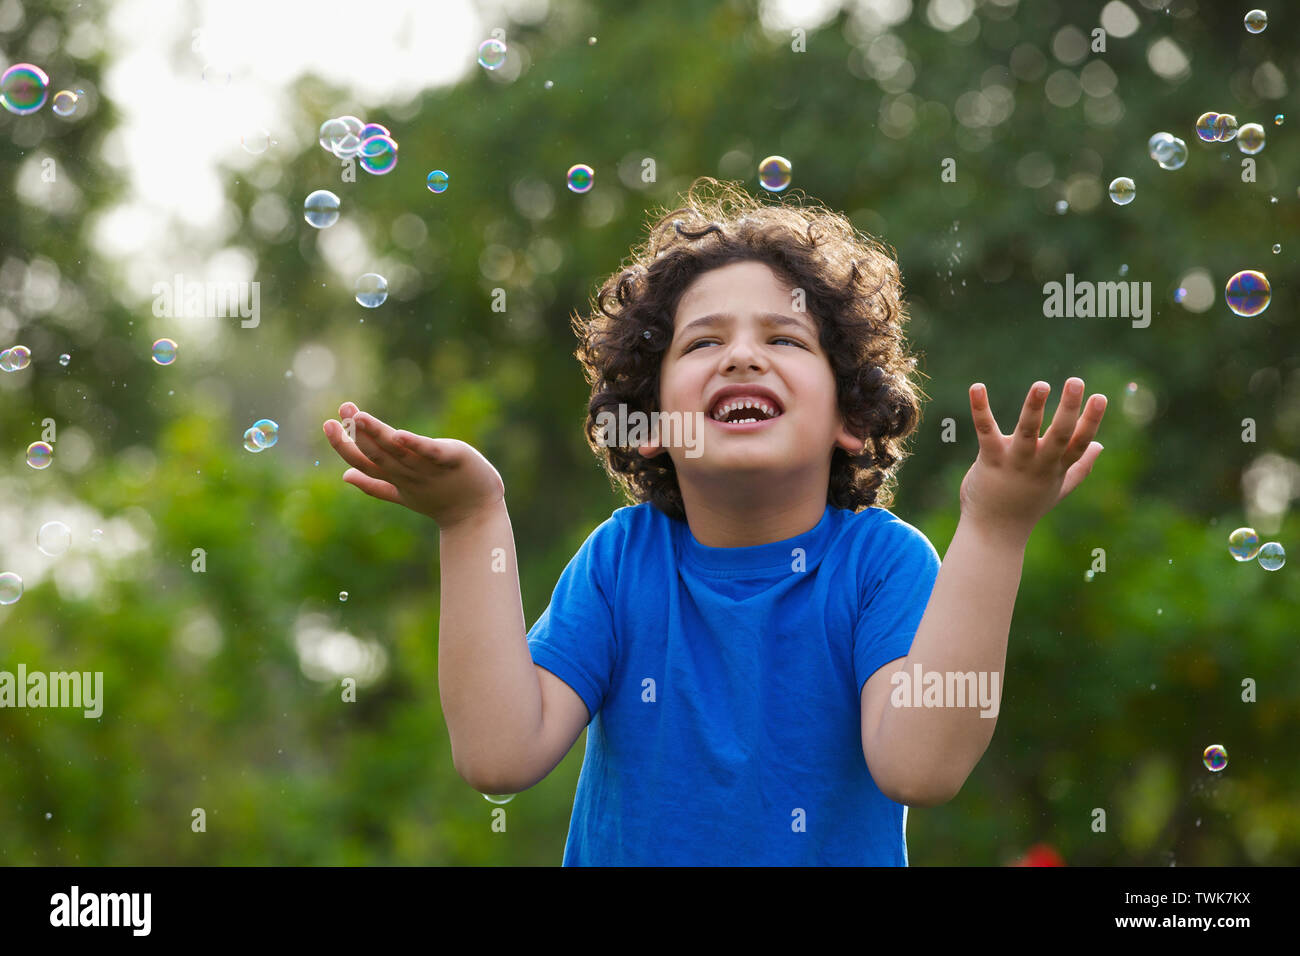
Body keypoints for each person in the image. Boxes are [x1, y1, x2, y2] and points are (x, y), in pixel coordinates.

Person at [322, 177, 1107, 865]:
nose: (741, 357)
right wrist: (470, 521)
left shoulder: (882, 566)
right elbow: (498, 753)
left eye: (784, 337)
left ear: (851, 417)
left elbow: (921, 768)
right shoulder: (620, 563)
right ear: (652, 421)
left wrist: (996, 528)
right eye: (703, 341)